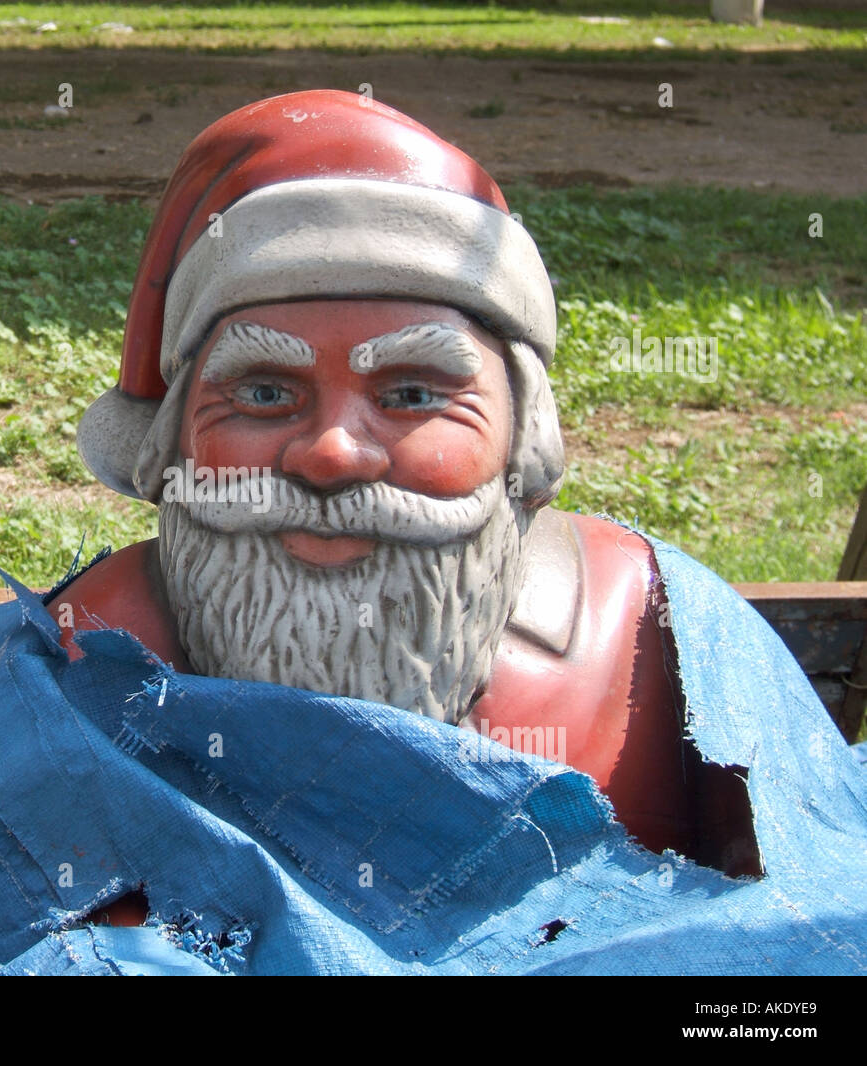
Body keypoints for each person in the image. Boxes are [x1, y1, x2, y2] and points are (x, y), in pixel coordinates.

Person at [54, 90, 757, 874]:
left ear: (524, 430)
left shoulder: (650, 623)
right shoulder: (99, 642)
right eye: (262, 393)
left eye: (413, 395)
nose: (331, 454)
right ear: (175, 440)